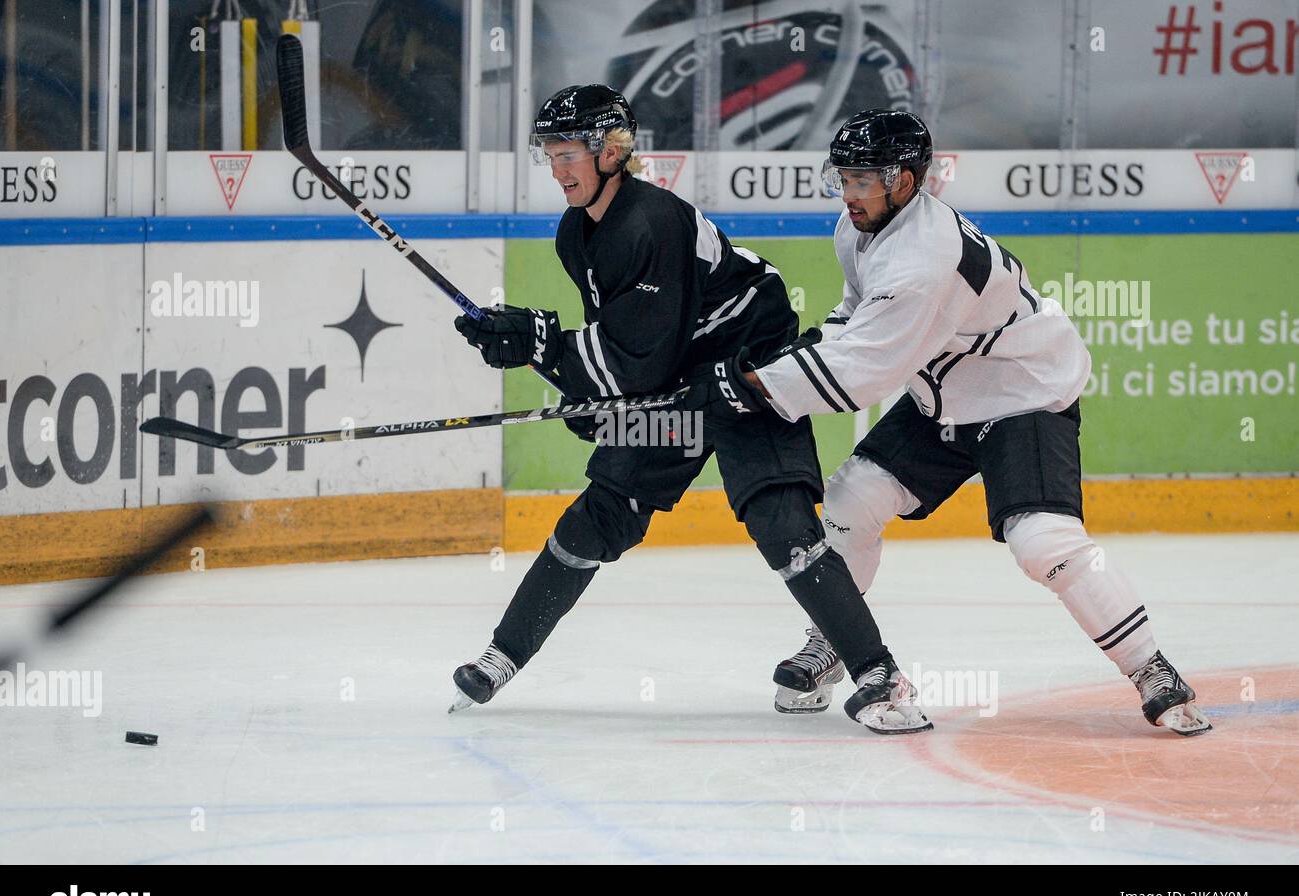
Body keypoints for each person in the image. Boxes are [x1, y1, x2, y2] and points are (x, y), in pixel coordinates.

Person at [448, 85, 932, 733]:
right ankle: (502, 654)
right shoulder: (578, 236)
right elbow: (630, 350)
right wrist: (560, 367)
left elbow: (635, 360)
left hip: (749, 368)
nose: (559, 169)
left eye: (570, 153)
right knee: (602, 512)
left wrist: (544, 345)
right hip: (678, 373)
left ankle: (879, 673)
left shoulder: (651, 223)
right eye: (551, 154)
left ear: (611, 151)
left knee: (780, 521)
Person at [723, 108, 1211, 736]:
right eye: (842, 176)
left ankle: (1152, 669)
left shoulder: (922, 261)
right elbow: (856, 322)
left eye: (863, 179)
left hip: (1021, 390)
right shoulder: (861, 228)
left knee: (1042, 541)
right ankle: (831, 643)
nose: (849, 193)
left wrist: (754, 388)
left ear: (907, 179)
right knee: (852, 497)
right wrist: (788, 362)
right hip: (945, 393)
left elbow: (863, 372)